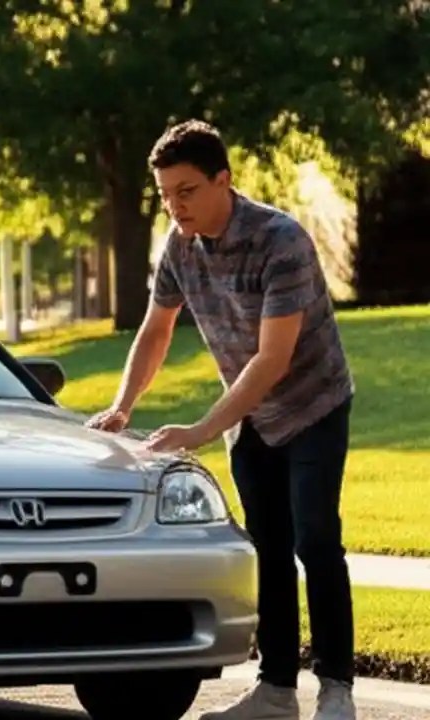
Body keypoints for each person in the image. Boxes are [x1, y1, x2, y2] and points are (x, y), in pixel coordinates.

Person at [86, 119, 356, 720]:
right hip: (250, 416)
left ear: (223, 181)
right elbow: (155, 332)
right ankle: (277, 692)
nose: (174, 206)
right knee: (268, 548)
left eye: (186, 191)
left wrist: (202, 430)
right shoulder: (179, 249)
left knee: (315, 540)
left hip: (313, 404)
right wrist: (123, 404)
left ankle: (337, 690)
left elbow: (273, 358)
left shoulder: (280, 240)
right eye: (164, 195)